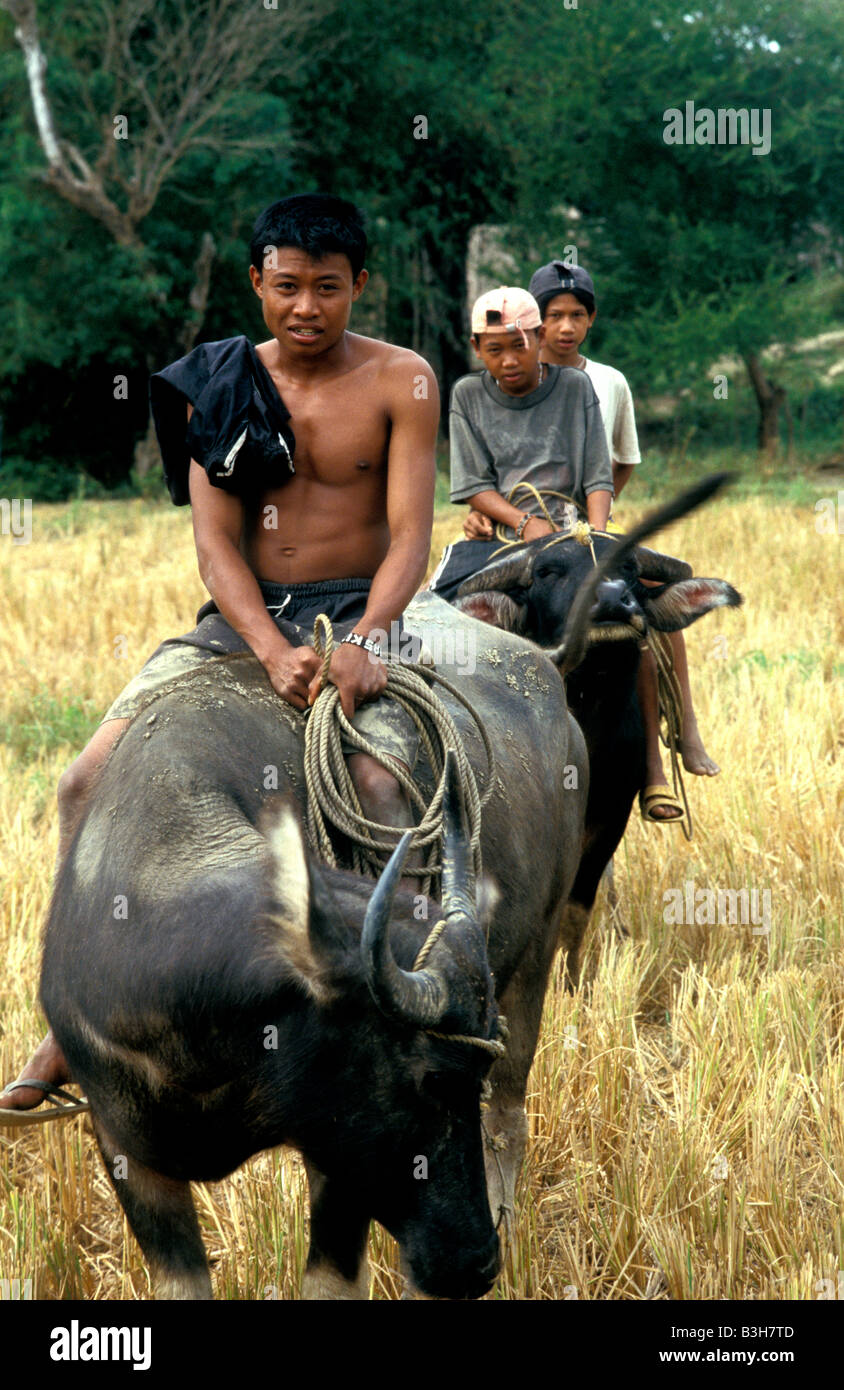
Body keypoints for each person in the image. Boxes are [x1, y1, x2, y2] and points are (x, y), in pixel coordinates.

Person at [1, 192, 439, 1114]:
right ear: (256, 284)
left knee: (383, 787)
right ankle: (76, 1013)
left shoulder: (404, 381)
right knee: (84, 780)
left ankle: (403, 988)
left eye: (328, 287)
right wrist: (270, 648)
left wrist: (364, 639)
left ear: (360, 285)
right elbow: (216, 547)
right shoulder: (219, 380)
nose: (306, 308)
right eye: (286, 287)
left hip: (364, 611)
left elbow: (409, 537)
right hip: (240, 619)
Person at [460, 261, 720, 818]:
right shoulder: (485, 389)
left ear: (591, 320)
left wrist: (594, 530)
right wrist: (491, 517)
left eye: (577, 315)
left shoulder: (600, 384)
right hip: (517, 537)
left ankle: (660, 752)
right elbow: (478, 481)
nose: (564, 327)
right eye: (552, 316)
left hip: (585, 529)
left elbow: (615, 465)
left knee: (644, 609)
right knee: (455, 612)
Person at [428, 285, 614, 608]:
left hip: (574, 528)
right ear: (476, 347)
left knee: (651, 587)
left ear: (540, 337)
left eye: (519, 346)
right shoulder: (467, 395)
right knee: (430, 605)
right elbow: (474, 484)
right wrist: (524, 523)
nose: (509, 360)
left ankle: (675, 661)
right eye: (495, 350)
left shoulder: (575, 386)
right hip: (500, 537)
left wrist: (595, 541)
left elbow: (598, 478)